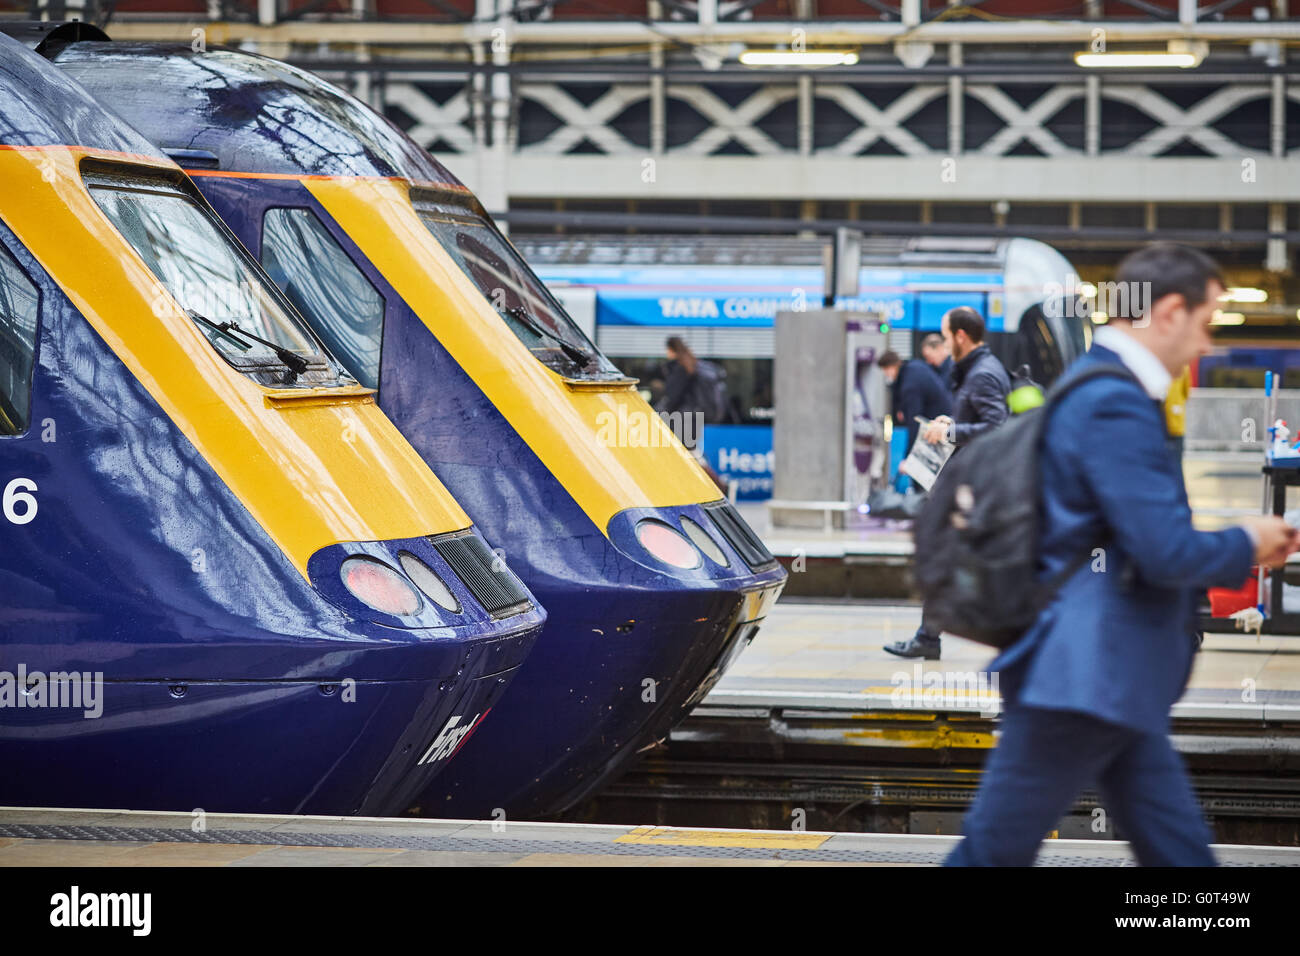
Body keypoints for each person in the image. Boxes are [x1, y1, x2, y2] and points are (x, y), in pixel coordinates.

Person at [946, 243, 1299, 866]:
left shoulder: (1103, 388)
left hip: (1111, 672)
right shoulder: (1112, 400)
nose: (1208, 344)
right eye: (1205, 322)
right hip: (1084, 673)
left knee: (1178, 855)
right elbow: (1162, 548)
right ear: (1167, 312)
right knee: (994, 853)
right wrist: (1249, 542)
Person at [885, 307, 1010, 660]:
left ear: (960, 336)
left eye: (945, 334)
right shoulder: (976, 371)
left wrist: (952, 430)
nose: (942, 341)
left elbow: (998, 426)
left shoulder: (983, 373)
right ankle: (929, 636)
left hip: (979, 485)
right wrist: (948, 422)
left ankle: (1028, 636)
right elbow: (978, 418)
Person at [920, 307, 1010, 448]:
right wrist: (953, 423)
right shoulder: (981, 366)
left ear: (960, 337)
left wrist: (948, 432)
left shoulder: (981, 375)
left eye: (946, 337)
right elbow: (977, 418)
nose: (945, 345)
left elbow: (996, 428)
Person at [878, 350, 953, 458]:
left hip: (939, 427)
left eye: (886, 371)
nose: (887, 375)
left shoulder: (910, 386)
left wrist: (908, 457)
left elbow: (915, 423)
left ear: (891, 367)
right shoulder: (915, 366)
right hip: (946, 420)